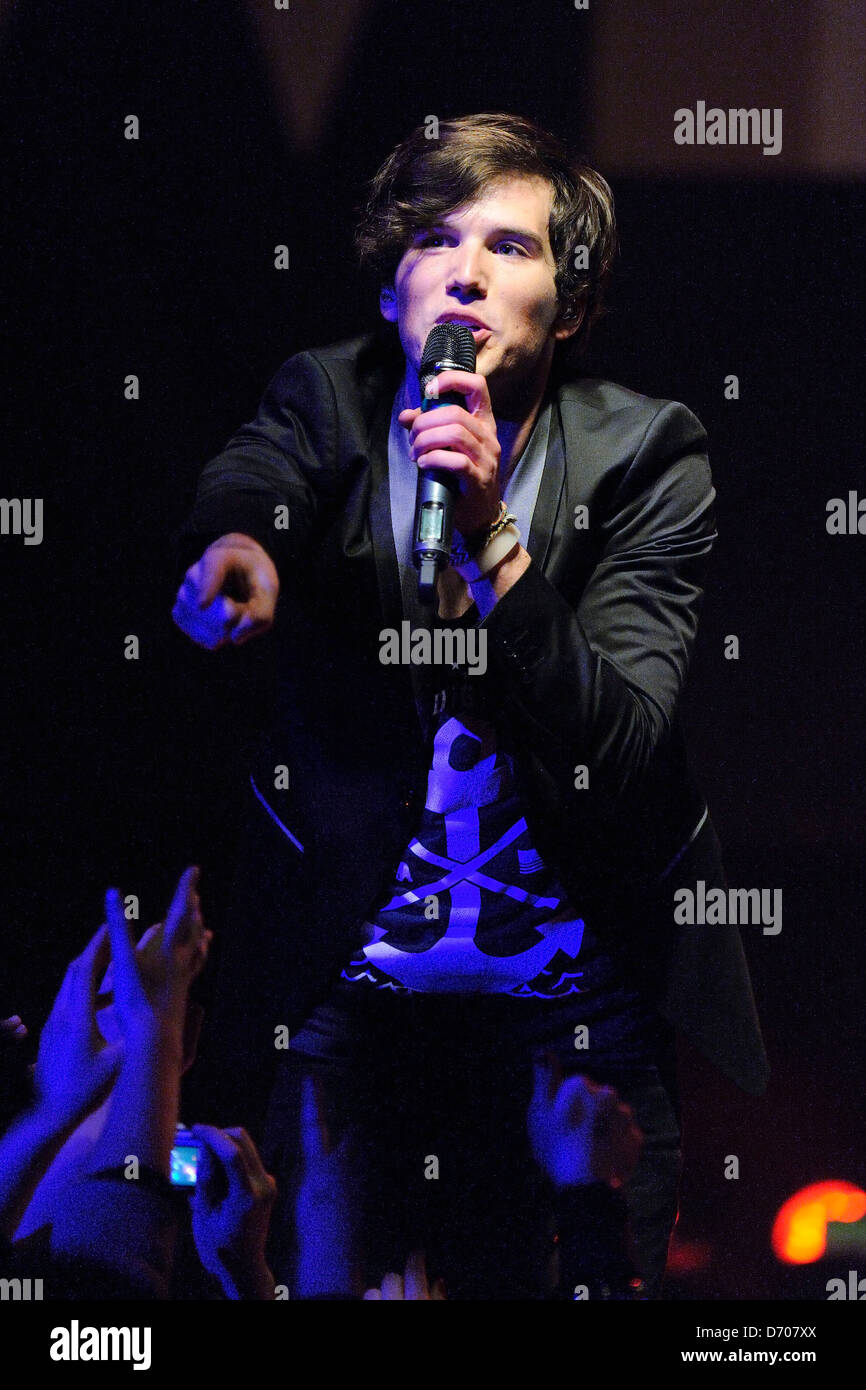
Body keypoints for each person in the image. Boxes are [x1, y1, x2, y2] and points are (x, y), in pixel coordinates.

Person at [172, 112, 768, 1297]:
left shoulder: (646, 453)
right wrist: (240, 545)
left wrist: (495, 540)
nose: (464, 269)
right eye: (435, 238)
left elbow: (624, 738)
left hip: (572, 997)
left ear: (574, 303)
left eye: (510, 245)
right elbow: (258, 475)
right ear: (394, 283)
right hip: (356, 992)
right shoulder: (326, 398)